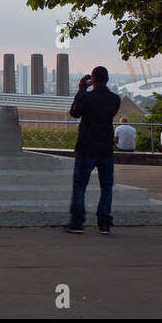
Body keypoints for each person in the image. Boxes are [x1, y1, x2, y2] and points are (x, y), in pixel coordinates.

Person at [65, 66, 120, 235]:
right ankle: (104, 223)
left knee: (80, 186)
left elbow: (74, 113)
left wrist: (81, 90)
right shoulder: (115, 99)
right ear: (107, 79)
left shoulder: (87, 98)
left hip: (86, 147)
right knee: (106, 187)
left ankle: (77, 223)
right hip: (106, 148)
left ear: (92, 80)